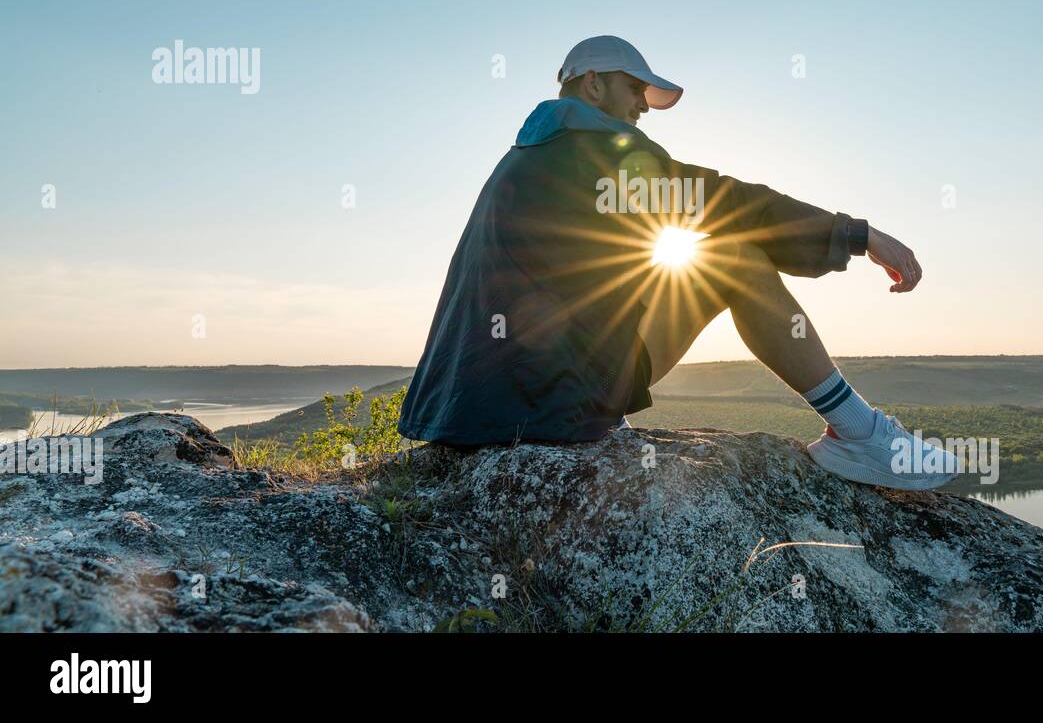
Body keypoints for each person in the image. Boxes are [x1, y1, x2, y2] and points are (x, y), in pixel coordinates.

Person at [397, 35, 958, 489]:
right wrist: (858, 236)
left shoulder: (524, 158)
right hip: (548, 403)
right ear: (592, 83)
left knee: (680, 259)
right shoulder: (600, 150)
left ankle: (855, 431)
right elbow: (725, 202)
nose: (644, 104)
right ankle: (858, 435)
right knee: (730, 257)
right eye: (635, 88)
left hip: (466, 408)